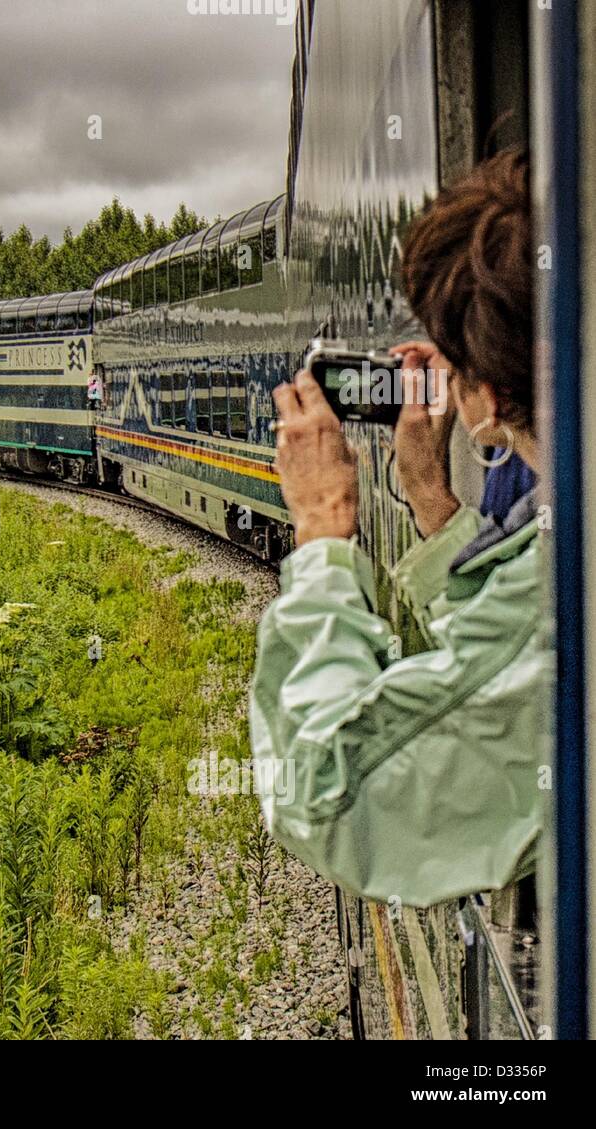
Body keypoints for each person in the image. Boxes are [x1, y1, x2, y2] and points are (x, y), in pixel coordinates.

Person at [250, 149, 546, 907]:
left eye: (451, 360)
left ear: (487, 391)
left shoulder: (563, 580)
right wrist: (427, 492)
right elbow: (485, 676)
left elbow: (327, 796)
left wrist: (323, 532)